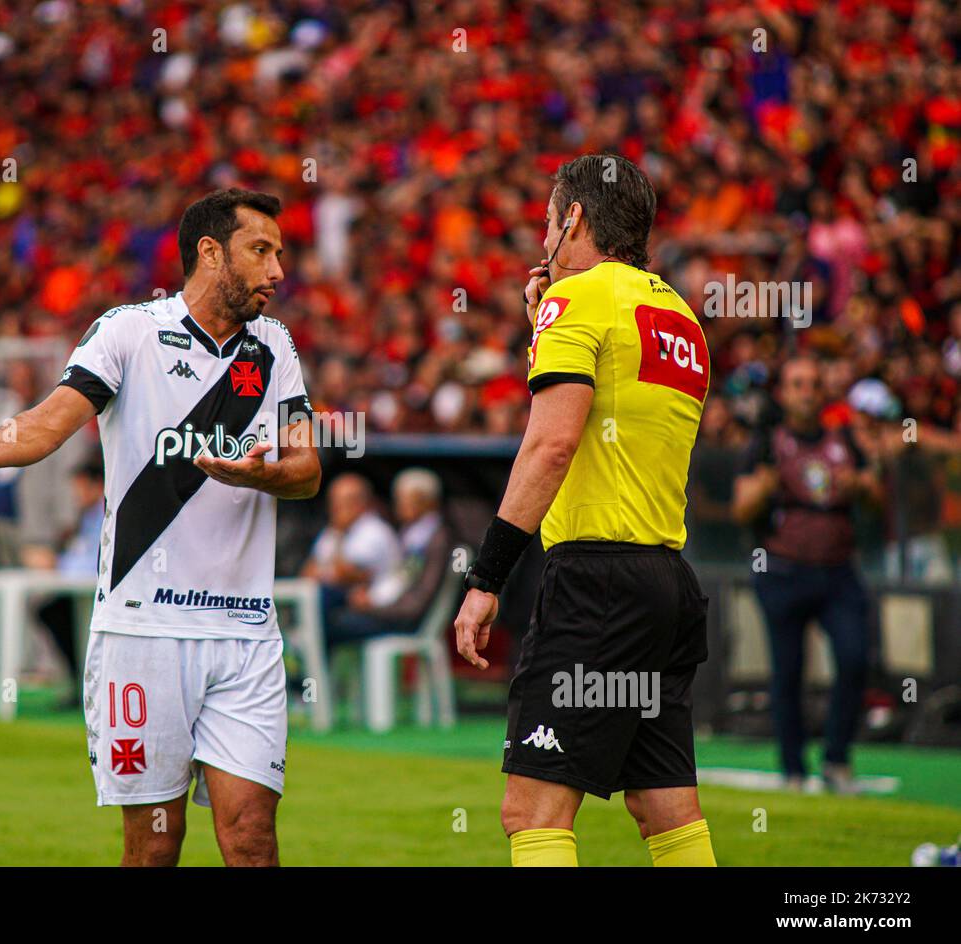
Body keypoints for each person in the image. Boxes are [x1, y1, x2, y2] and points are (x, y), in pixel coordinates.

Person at [0, 188, 320, 866]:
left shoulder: (274, 347)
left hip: (244, 633)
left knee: (252, 839)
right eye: (261, 251)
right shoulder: (129, 331)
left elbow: (307, 465)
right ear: (210, 252)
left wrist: (264, 476)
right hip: (143, 632)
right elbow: (53, 419)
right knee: (153, 847)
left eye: (280, 254)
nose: (278, 271)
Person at [453, 155, 716, 867]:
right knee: (665, 807)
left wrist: (486, 577)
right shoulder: (681, 318)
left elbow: (553, 444)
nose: (543, 233)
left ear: (573, 218)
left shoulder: (581, 300)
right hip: (664, 582)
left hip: (596, 584)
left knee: (531, 811)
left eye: (548, 217)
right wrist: (547, 320)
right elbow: (618, 419)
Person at [731, 355, 882, 793]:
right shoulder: (765, 443)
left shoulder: (843, 440)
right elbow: (741, 507)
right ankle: (793, 768)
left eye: (814, 384)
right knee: (788, 671)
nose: (807, 392)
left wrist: (862, 483)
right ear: (784, 393)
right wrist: (766, 484)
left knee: (855, 658)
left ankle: (836, 758)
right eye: (798, 384)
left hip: (838, 571)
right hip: (782, 570)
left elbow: (875, 495)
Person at [323, 468, 454, 646]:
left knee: (330, 625)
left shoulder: (435, 540)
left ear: (427, 501)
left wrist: (374, 607)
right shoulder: (413, 534)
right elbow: (396, 582)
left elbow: (416, 601)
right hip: (390, 610)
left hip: (402, 620)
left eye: (406, 499)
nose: (399, 505)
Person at [35, 459, 106, 705]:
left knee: (59, 614)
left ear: (98, 486)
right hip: (84, 591)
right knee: (51, 611)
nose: (77, 495)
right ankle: (80, 681)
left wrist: (57, 564)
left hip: (102, 595)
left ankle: (87, 684)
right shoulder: (86, 516)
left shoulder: (107, 514)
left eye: (81, 488)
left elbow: (95, 560)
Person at [301, 472, 403, 643]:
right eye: (333, 502)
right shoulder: (333, 530)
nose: (336, 509)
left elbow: (347, 576)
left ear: (361, 503)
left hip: (380, 612)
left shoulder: (374, 530)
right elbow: (307, 575)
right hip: (351, 607)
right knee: (312, 612)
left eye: (343, 502)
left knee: (317, 617)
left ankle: (314, 667)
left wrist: (338, 538)